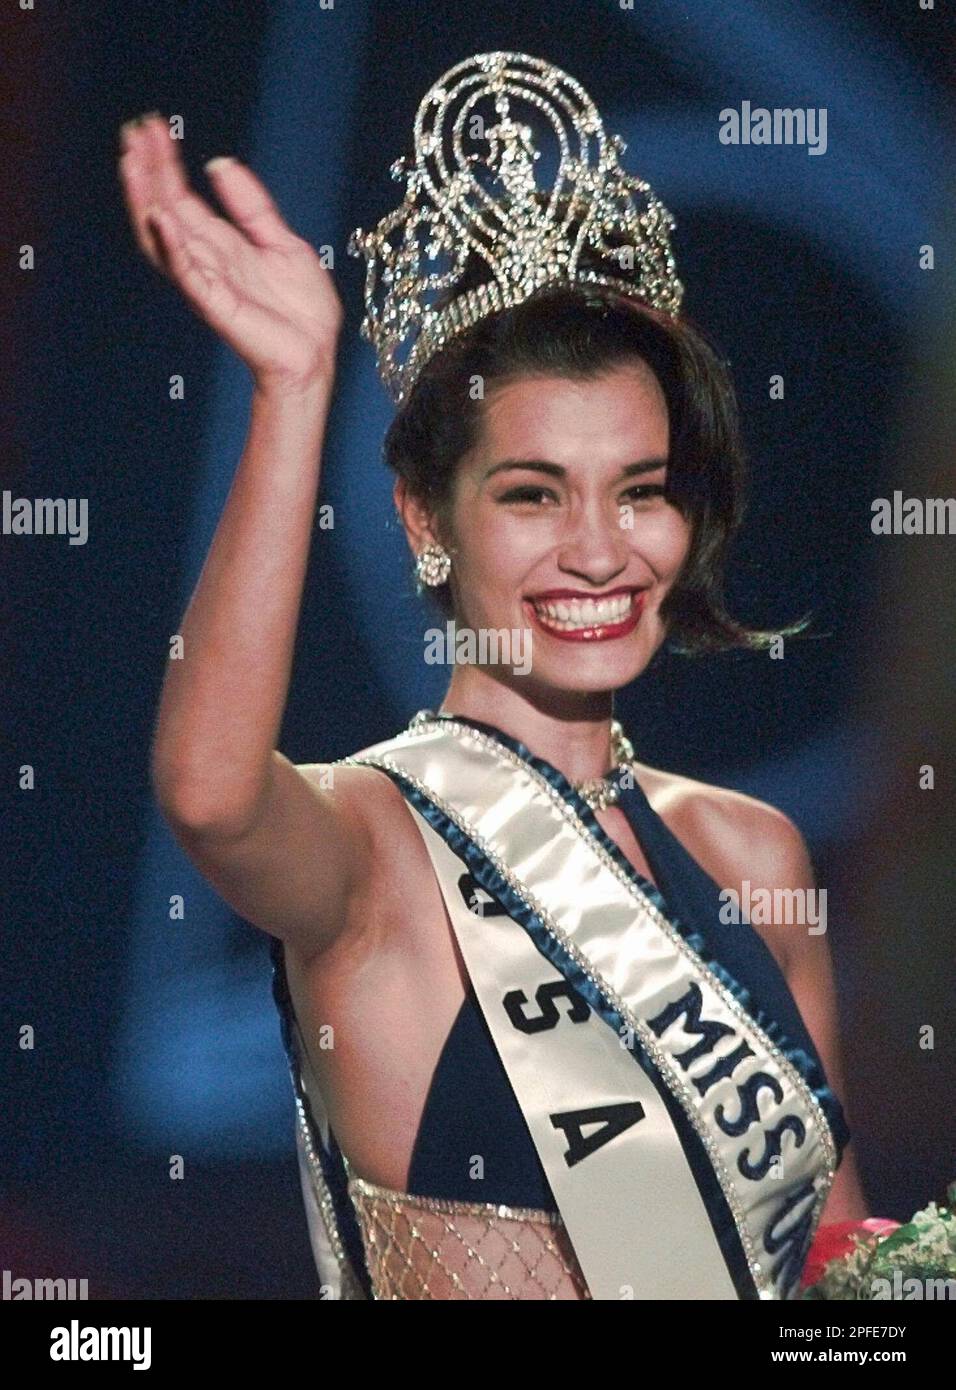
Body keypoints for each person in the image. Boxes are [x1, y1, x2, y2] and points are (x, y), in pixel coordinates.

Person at [120, 51, 870, 1301]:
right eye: (531, 494)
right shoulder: (374, 847)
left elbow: (836, 1271)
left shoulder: (754, 854)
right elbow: (208, 793)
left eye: (640, 491)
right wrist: (294, 389)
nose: (597, 549)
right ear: (426, 521)